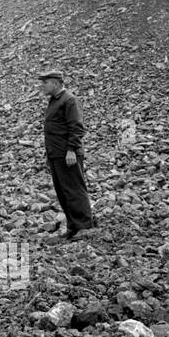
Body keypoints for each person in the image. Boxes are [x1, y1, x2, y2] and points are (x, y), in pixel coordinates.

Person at [38, 70, 95, 239]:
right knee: (63, 191)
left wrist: (71, 150)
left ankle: (84, 226)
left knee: (74, 189)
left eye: (45, 82)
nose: (42, 86)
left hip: (67, 154)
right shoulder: (54, 101)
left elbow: (77, 127)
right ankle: (73, 226)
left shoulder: (69, 100)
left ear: (56, 83)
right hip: (56, 154)